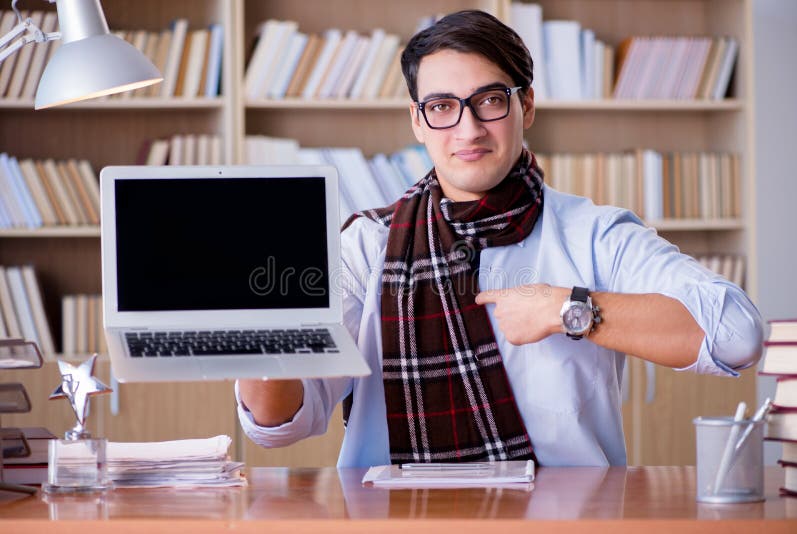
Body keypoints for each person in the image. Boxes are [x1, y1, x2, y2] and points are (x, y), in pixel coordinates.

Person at [237, 10, 763, 467]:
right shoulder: (366, 247)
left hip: (562, 519)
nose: (467, 130)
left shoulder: (596, 234)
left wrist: (568, 309)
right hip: (393, 516)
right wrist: (269, 332)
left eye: (489, 100)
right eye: (441, 107)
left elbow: (736, 335)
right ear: (418, 122)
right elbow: (278, 424)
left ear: (525, 106)